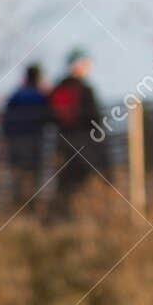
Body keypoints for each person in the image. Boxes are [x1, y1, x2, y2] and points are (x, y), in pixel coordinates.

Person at [48, 49, 107, 207]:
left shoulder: (57, 89)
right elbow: (95, 119)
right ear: (79, 65)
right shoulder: (85, 90)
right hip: (85, 144)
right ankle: (79, 214)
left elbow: (50, 116)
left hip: (62, 143)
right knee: (85, 182)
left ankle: (60, 215)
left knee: (64, 184)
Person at [1, 63, 49, 207]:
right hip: (35, 141)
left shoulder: (16, 95)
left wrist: (9, 136)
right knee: (35, 175)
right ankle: (33, 205)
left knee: (18, 175)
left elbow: (6, 120)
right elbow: (47, 118)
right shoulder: (41, 97)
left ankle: (17, 204)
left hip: (17, 141)